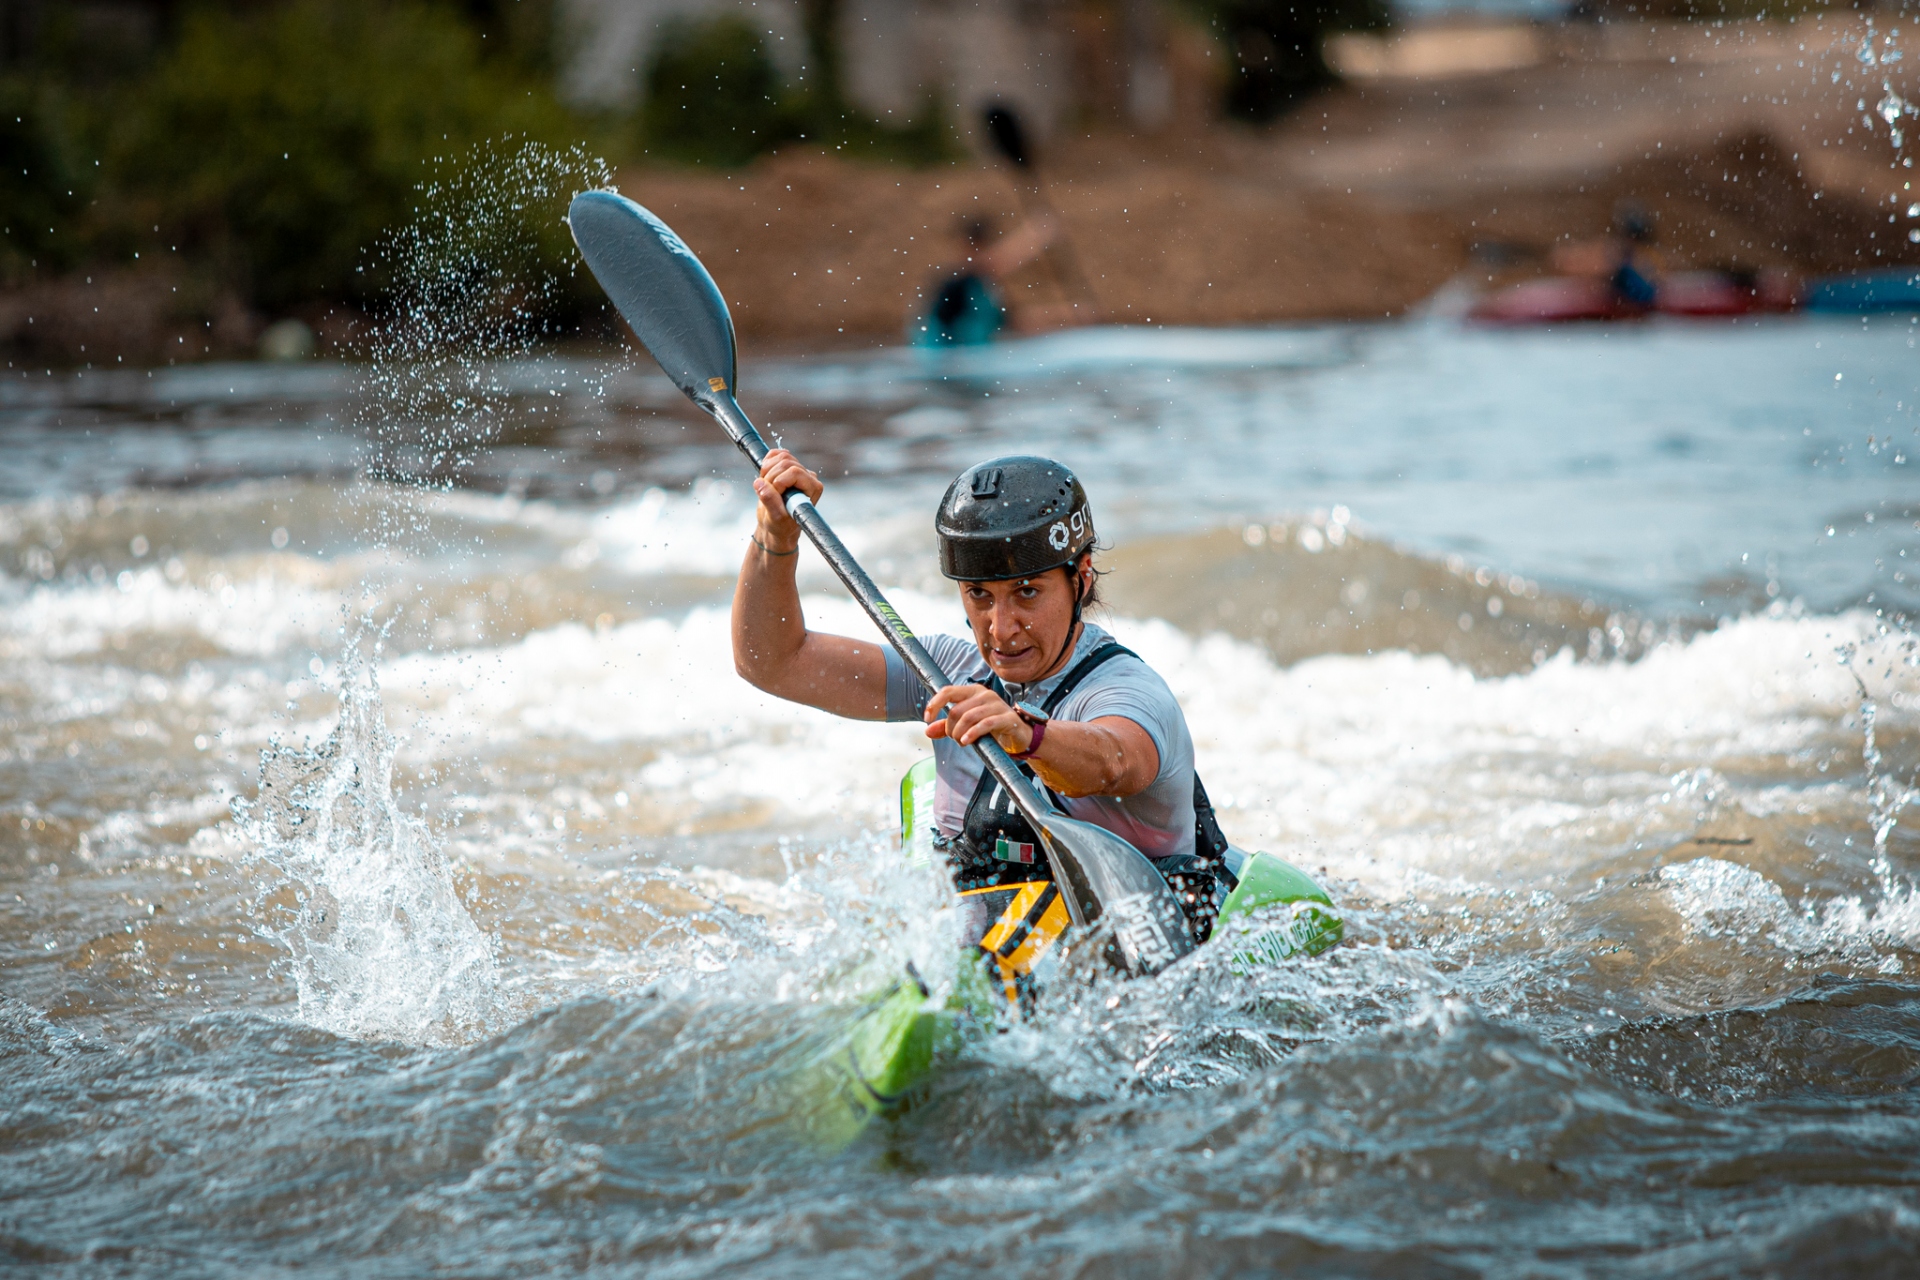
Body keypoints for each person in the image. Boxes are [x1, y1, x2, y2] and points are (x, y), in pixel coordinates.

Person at [732, 450, 1232, 942]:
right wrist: (775, 541)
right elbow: (774, 662)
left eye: (1027, 593)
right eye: (979, 596)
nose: (1001, 628)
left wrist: (1025, 734)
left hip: (1137, 931)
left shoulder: (1126, 690)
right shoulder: (945, 673)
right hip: (987, 934)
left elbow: (1114, 760)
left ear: (1080, 581)